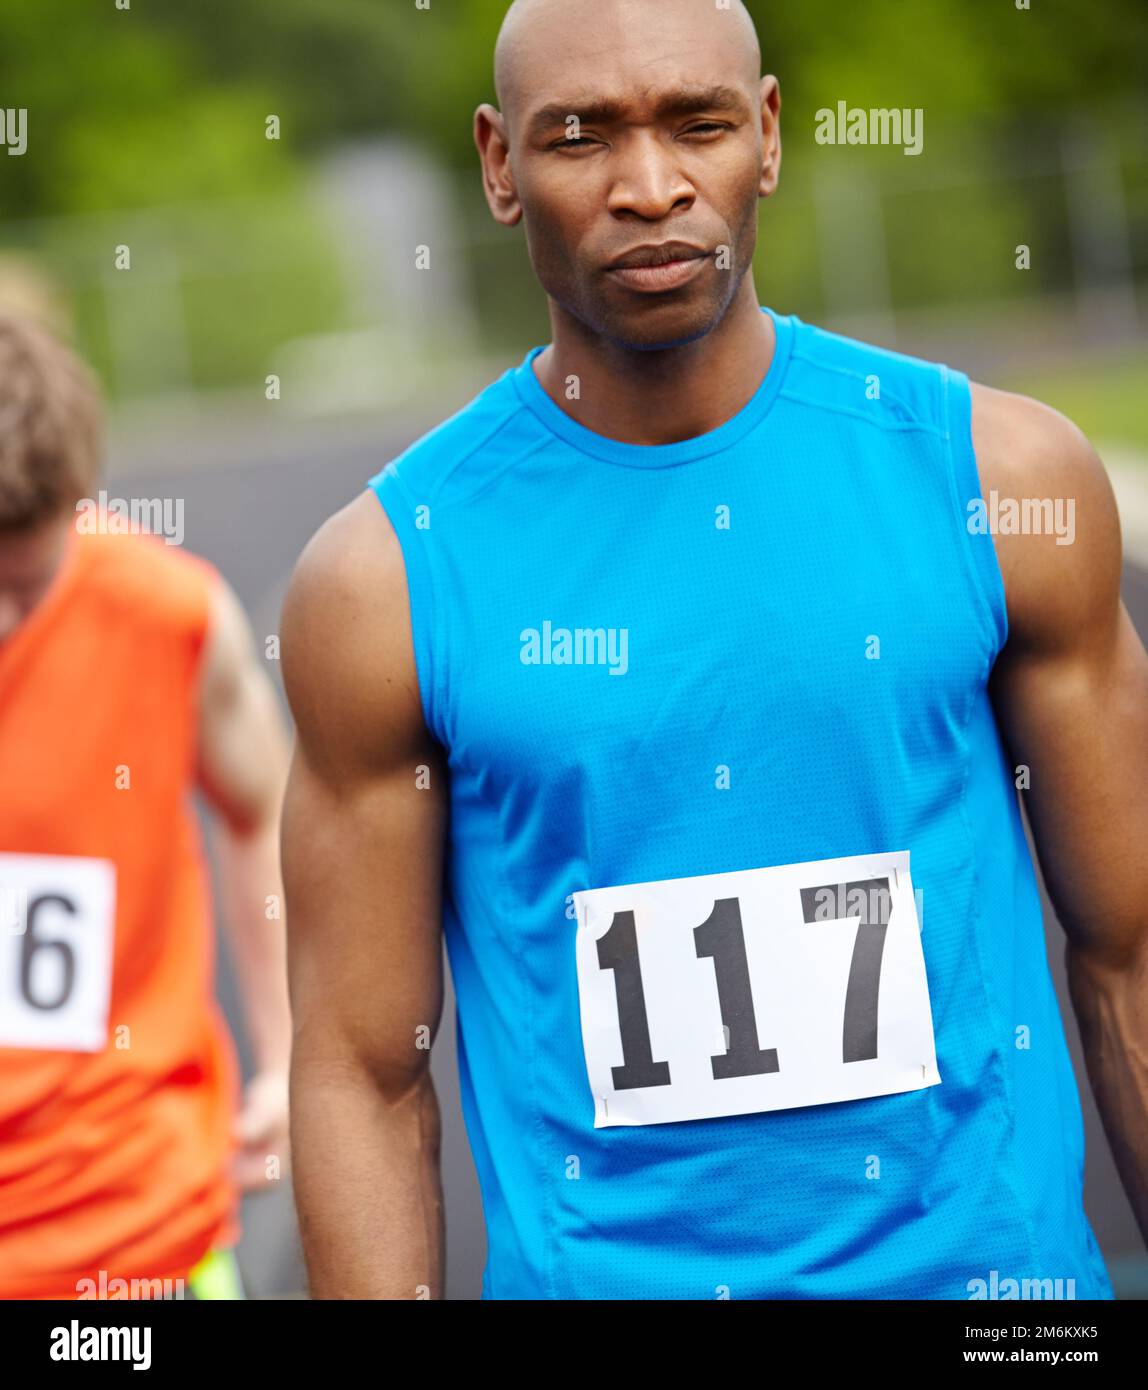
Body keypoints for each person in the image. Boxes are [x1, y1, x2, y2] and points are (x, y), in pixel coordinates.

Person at [282, 0, 1148, 1299]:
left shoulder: (1000, 480)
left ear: (770, 135)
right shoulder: (384, 581)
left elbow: (1129, 945)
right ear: (500, 164)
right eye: (582, 139)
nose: (651, 187)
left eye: (698, 124)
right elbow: (362, 1068)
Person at [0, 310, 292, 1300]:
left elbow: (264, 809)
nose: (6, 619)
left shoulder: (167, 613)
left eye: (27, 580)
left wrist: (285, 1055)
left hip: (140, 1239)